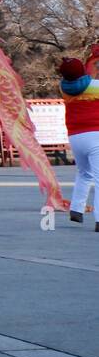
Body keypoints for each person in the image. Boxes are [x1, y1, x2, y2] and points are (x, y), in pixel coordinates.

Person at [59, 47, 99, 227]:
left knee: (84, 173)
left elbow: (81, 78)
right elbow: (88, 79)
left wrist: (92, 60)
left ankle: (76, 209)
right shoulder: (96, 88)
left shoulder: (64, 88)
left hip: (75, 136)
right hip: (96, 135)